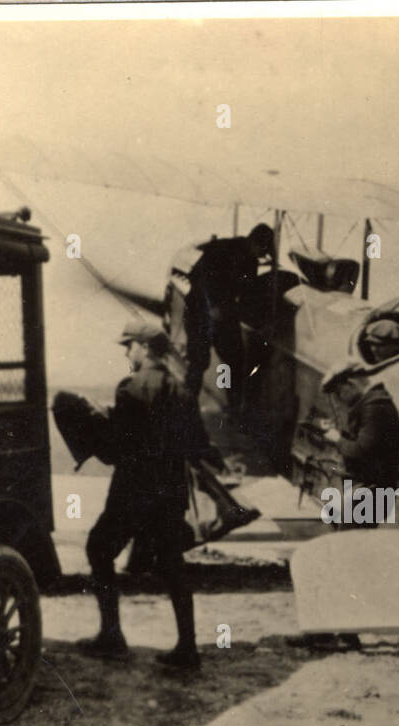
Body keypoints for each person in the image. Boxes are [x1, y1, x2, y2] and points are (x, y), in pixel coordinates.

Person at [78, 321, 213, 670]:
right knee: (172, 566)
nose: (127, 353)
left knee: (98, 548)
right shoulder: (182, 391)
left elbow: (115, 450)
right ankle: (188, 648)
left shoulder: (130, 388)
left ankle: (112, 636)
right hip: (169, 493)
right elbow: (197, 446)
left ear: (144, 347)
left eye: (129, 346)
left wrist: (97, 420)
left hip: (132, 493)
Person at [181, 222, 277, 413]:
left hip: (224, 314)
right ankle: (187, 406)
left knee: (232, 359)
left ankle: (231, 404)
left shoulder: (251, 261)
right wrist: (213, 306)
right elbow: (197, 278)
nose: (261, 256)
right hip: (200, 311)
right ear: (254, 242)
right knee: (198, 361)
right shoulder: (222, 249)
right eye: (261, 250)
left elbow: (246, 292)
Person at [322, 370, 399, 494]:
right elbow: (366, 443)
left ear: (351, 384)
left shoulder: (375, 408)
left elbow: (360, 451)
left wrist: (337, 439)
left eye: (338, 393)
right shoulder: (372, 403)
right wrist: (340, 434)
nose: (339, 400)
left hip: (375, 489)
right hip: (369, 484)